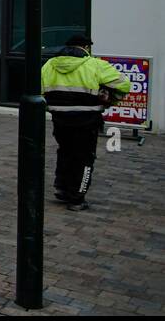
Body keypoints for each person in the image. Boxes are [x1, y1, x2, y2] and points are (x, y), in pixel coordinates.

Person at [40, 34, 130, 210]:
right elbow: (124, 85)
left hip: (60, 119)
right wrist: (110, 99)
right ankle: (77, 198)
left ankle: (62, 189)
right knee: (84, 157)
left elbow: (38, 90)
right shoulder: (95, 64)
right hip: (87, 120)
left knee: (65, 151)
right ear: (86, 48)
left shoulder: (49, 65)